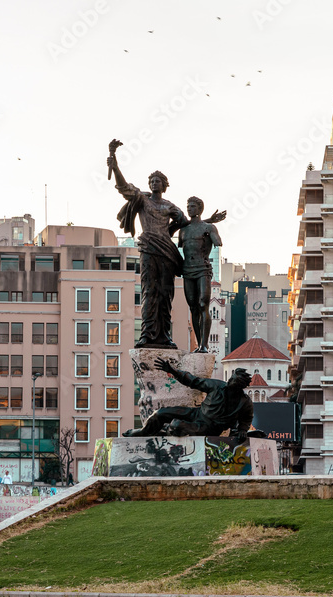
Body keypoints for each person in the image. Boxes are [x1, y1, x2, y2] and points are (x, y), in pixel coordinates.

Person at [107, 142, 186, 348]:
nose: (154, 183)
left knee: (166, 293)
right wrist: (115, 166)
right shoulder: (142, 199)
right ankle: (148, 334)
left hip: (167, 251)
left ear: (164, 184)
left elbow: (184, 220)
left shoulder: (169, 205)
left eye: (158, 180)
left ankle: (164, 335)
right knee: (150, 291)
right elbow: (123, 188)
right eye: (151, 180)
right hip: (149, 248)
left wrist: (181, 221)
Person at [123, 358, 254, 440]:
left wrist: (243, 430)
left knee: (176, 426)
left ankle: (164, 433)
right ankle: (143, 432)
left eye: (233, 381)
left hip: (209, 427)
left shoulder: (244, 402)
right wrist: (173, 371)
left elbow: (247, 418)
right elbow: (194, 381)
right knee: (160, 414)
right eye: (231, 378)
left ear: (239, 386)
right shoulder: (217, 385)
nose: (229, 381)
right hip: (197, 413)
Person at [178, 196, 225, 353]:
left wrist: (211, 230)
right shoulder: (183, 230)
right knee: (193, 307)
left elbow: (218, 242)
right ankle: (199, 344)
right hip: (187, 270)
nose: (189, 208)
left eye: (192, 206)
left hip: (203, 269)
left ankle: (205, 345)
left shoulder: (208, 228)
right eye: (188, 206)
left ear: (199, 209)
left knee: (203, 303)